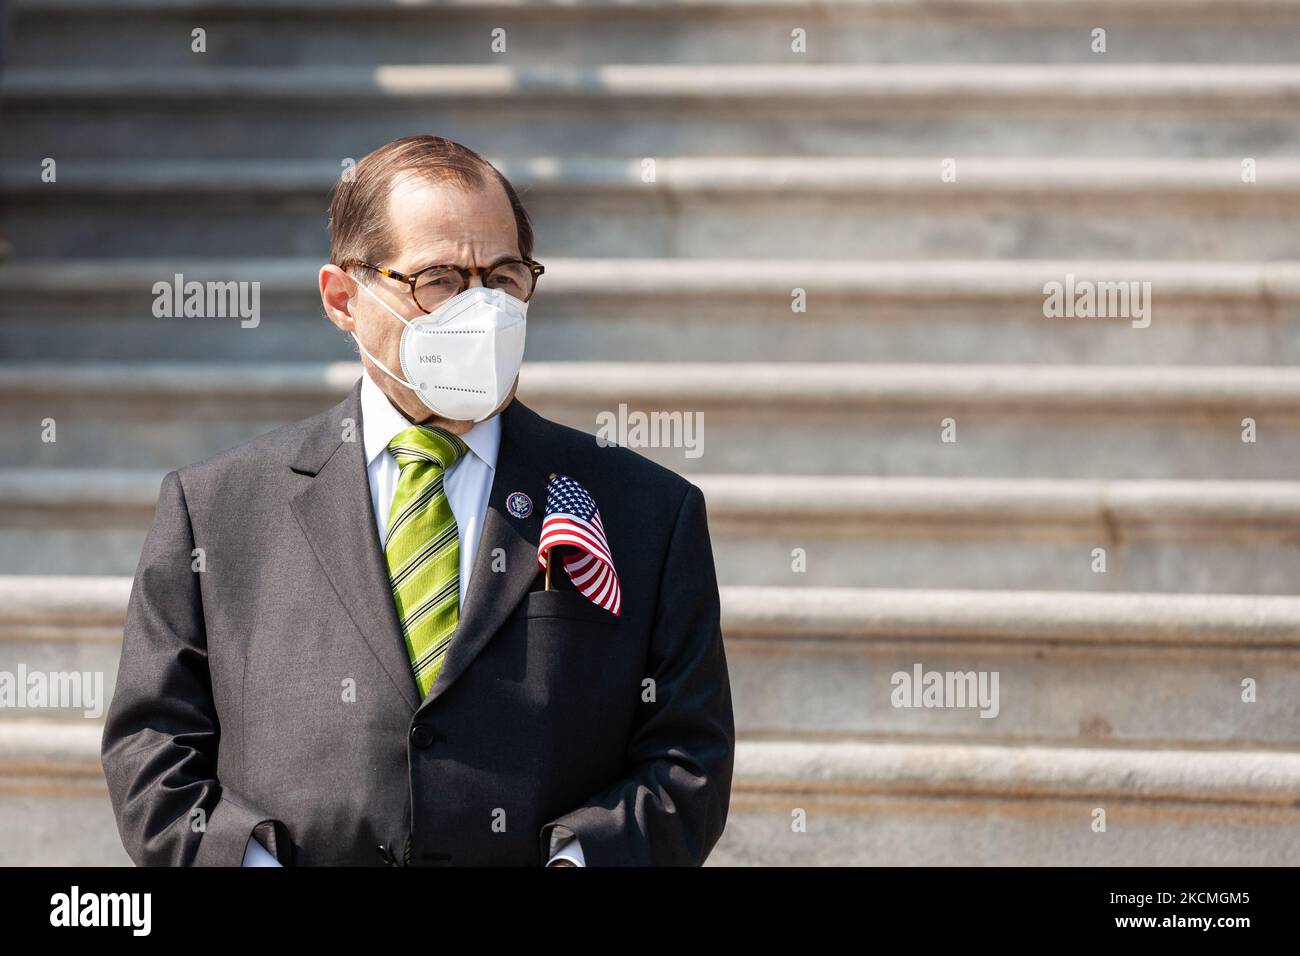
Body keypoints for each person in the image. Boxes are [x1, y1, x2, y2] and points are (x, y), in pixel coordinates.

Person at [100, 135, 735, 866]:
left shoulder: (646, 510)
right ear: (344, 297)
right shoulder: (214, 509)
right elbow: (153, 746)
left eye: (503, 276)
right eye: (439, 280)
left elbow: (688, 757)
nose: (482, 309)